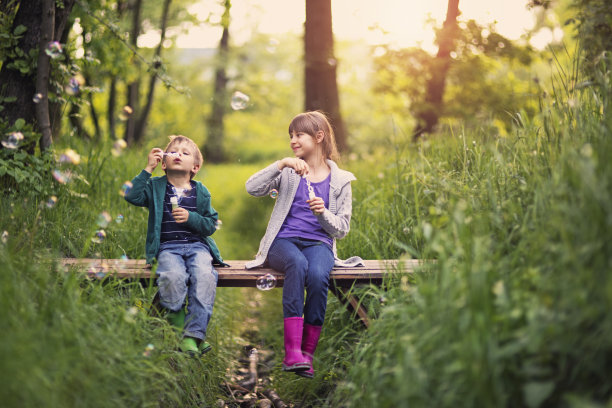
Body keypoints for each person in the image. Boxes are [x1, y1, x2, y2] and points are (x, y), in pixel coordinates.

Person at [245, 111, 363, 378]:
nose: (293, 141)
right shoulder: (288, 171)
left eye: (299, 135)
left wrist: (323, 213)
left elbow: (341, 230)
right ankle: (292, 353)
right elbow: (252, 187)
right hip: (282, 242)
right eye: (291, 136)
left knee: (319, 275)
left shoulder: (341, 180)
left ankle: (306, 356)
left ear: (319, 137)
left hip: (319, 243)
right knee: (296, 264)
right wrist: (281, 164)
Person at [124, 135, 226, 356]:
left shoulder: (201, 191)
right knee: (173, 276)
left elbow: (210, 225)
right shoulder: (155, 187)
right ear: (164, 162)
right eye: (174, 151)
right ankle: (181, 332)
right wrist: (147, 168)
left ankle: (194, 335)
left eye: (185, 152)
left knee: (205, 277)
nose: (178, 154)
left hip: (198, 247)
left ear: (195, 167)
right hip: (168, 248)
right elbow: (131, 196)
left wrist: (191, 218)